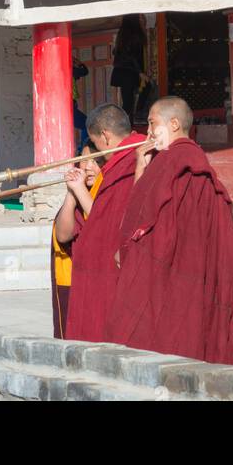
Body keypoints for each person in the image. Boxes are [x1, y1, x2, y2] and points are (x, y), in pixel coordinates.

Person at [107, 96, 233, 367]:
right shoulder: (197, 162)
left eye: (153, 123)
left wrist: (141, 169)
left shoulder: (170, 162)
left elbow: (144, 215)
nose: (149, 133)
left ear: (174, 124)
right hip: (195, 267)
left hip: (169, 265)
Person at [64, 104, 145, 343]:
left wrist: (79, 191)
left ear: (106, 136)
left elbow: (107, 222)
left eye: (95, 142)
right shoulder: (132, 157)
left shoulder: (130, 161)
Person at [50, 141, 102, 339]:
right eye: (83, 160)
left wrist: (79, 190)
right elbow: (63, 235)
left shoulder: (110, 191)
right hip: (72, 279)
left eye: (95, 161)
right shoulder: (79, 191)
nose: (88, 167)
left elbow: (102, 222)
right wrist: (72, 195)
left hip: (97, 280)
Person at [110, 15, 146, 119]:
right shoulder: (135, 35)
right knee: (128, 103)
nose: (143, 20)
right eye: (140, 18)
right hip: (129, 72)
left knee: (127, 102)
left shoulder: (123, 35)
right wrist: (140, 72)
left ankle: (129, 122)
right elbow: (133, 56)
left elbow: (118, 53)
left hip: (123, 71)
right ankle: (135, 117)